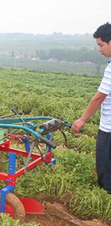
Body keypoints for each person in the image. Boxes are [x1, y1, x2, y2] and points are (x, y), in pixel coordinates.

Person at [71, 22, 111, 193]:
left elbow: (99, 97)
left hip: (109, 129)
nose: (99, 49)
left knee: (105, 169)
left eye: (101, 45)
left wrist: (82, 120)